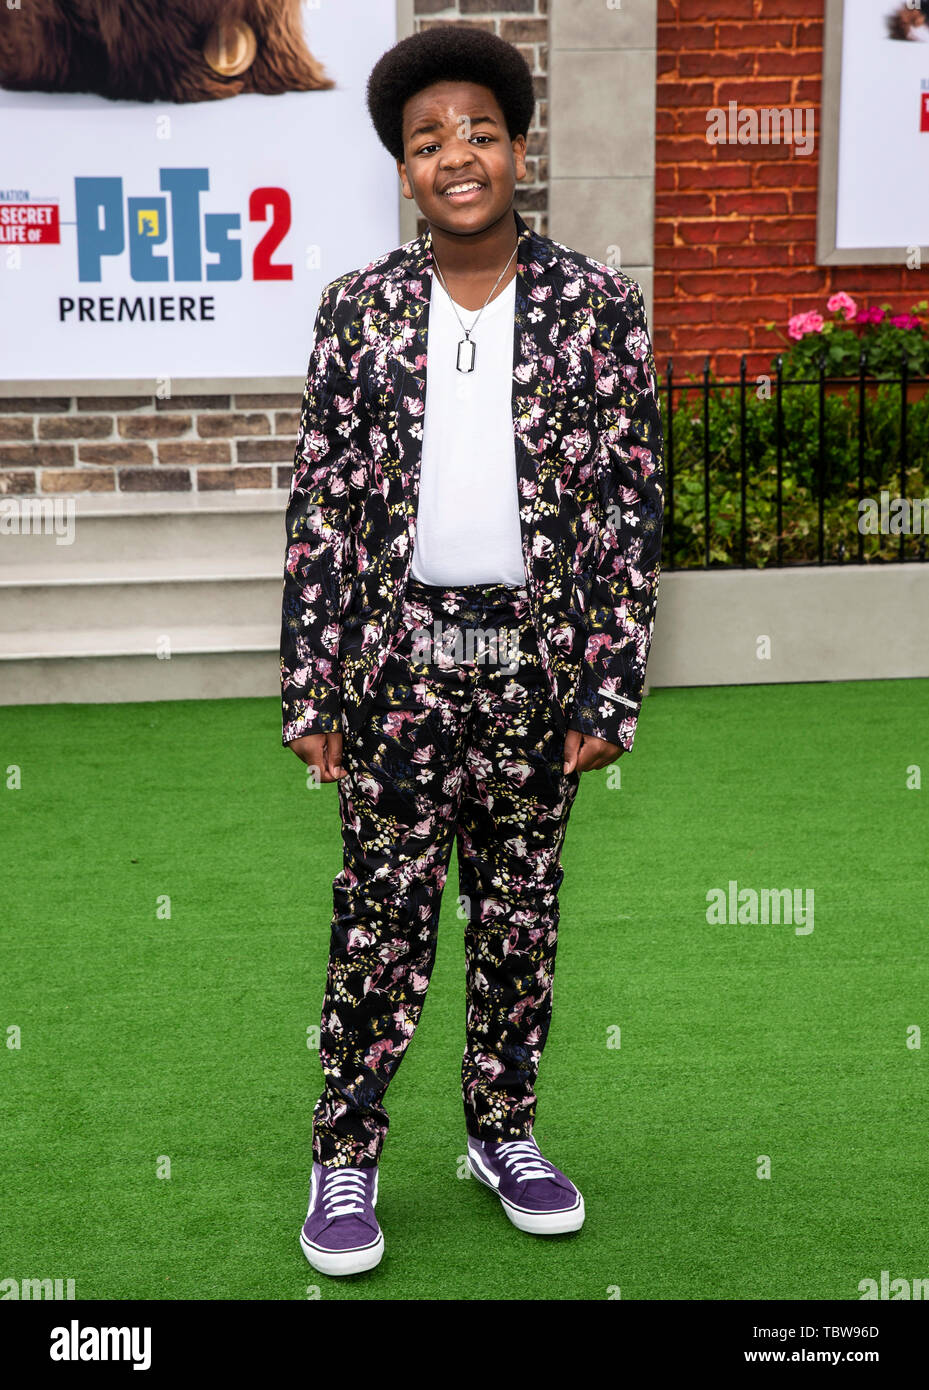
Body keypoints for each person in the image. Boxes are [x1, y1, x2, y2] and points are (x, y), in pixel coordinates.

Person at [280, 23, 664, 1278]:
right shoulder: (357, 311)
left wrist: (607, 678)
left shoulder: (597, 308)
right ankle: (348, 1150)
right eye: (430, 139)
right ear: (404, 168)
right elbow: (324, 508)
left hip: (530, 669)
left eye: (481, 134)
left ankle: (504, 1133)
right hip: (395, 670)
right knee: (379, 919)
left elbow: (625, 504)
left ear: (518, 150)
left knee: (516, 919)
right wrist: (315, 684)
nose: (458, 156)